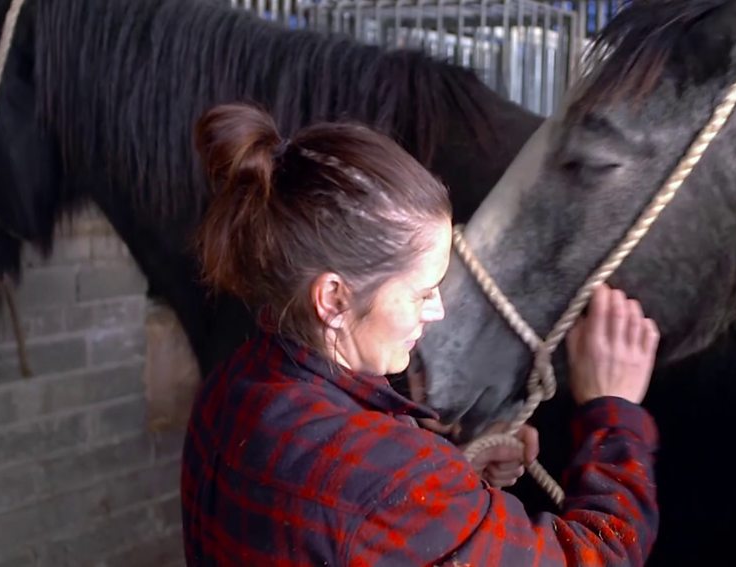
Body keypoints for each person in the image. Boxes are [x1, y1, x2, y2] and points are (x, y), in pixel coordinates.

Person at [180, 102, 662, 566]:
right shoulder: (389, 481)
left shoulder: (228, 388)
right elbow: (599, 557)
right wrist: (613, 413)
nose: (436, 310)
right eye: (421, 291)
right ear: (333, 298)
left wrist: (454, 482)